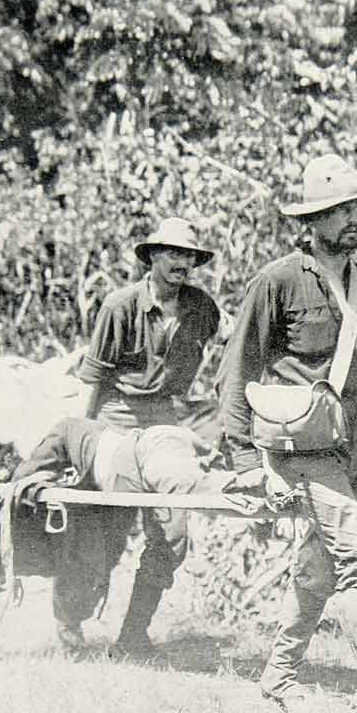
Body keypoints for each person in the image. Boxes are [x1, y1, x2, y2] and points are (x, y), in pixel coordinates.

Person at [218, 154, 357, 713]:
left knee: (321, 563)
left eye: (356, 208)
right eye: (338, 211)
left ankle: (278, 675)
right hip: (302, 443)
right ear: (311, 221)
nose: (352, 220)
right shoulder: (279, 281)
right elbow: (236, 370)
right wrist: (243, 461)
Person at [69, 217, 222, 656]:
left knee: (172, 533)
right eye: (172, 253)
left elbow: (233, 345)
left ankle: (133, 633)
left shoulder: (202, 308)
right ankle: (70, 620)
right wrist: (81, 443)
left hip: (167, 425)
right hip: (116, 419)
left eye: (188, 256)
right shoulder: (120, 306)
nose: (181, 263)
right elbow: (92, 379)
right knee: (108, 534)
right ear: (152, 257)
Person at [6, 416, 235, 658]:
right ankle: (71, 637)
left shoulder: (176, 445)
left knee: (168, 546)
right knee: (91, 557)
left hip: (143, 460)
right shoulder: (68, 431)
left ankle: (132, 637)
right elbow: (24, 476)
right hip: (117, 470)